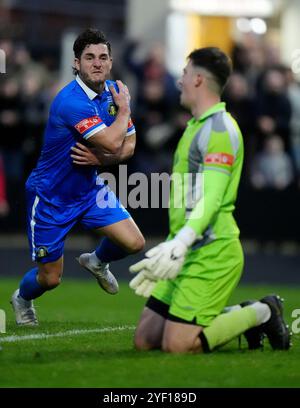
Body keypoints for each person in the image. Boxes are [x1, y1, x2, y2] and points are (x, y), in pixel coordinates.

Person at [129, 47, 291, 353]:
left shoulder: (219, 129)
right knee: (145, 341)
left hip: (211, 253)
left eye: (185, 74)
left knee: (177, 345)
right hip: (186, 248)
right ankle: (240, 314)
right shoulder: (196, 126)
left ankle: (262, 312)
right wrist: (177, 242)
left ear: (199, 80)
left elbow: (213, 196)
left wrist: (182, 241)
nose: (180, 81)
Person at [11, 28, 145, 326]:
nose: (97, 63)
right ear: (76, 64)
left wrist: (101, 159)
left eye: (103, 57)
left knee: (135, 243)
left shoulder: (111, 93)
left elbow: (130, 146)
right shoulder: (71, 101)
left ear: (110, 62)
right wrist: (124, 111)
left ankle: (97, 261)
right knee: (50, 279)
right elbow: (114, 143)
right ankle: (22, 297)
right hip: (50, 197)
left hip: (88, 190)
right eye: (89, 58)